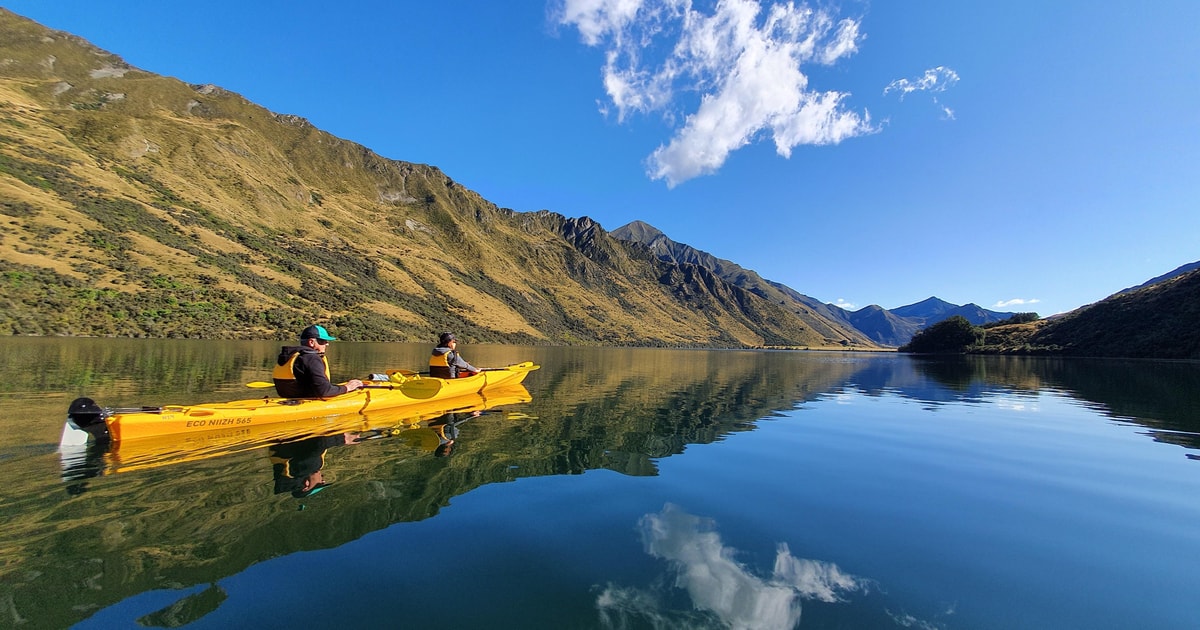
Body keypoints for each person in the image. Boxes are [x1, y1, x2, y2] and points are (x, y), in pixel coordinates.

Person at [273, 324, 364, 398]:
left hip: (288, 398)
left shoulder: (289, 355)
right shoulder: (311, 358)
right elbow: (324, 391)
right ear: (311, 342)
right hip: (305, 401)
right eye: (323, 341)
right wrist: (347, 387)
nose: (327, 344)